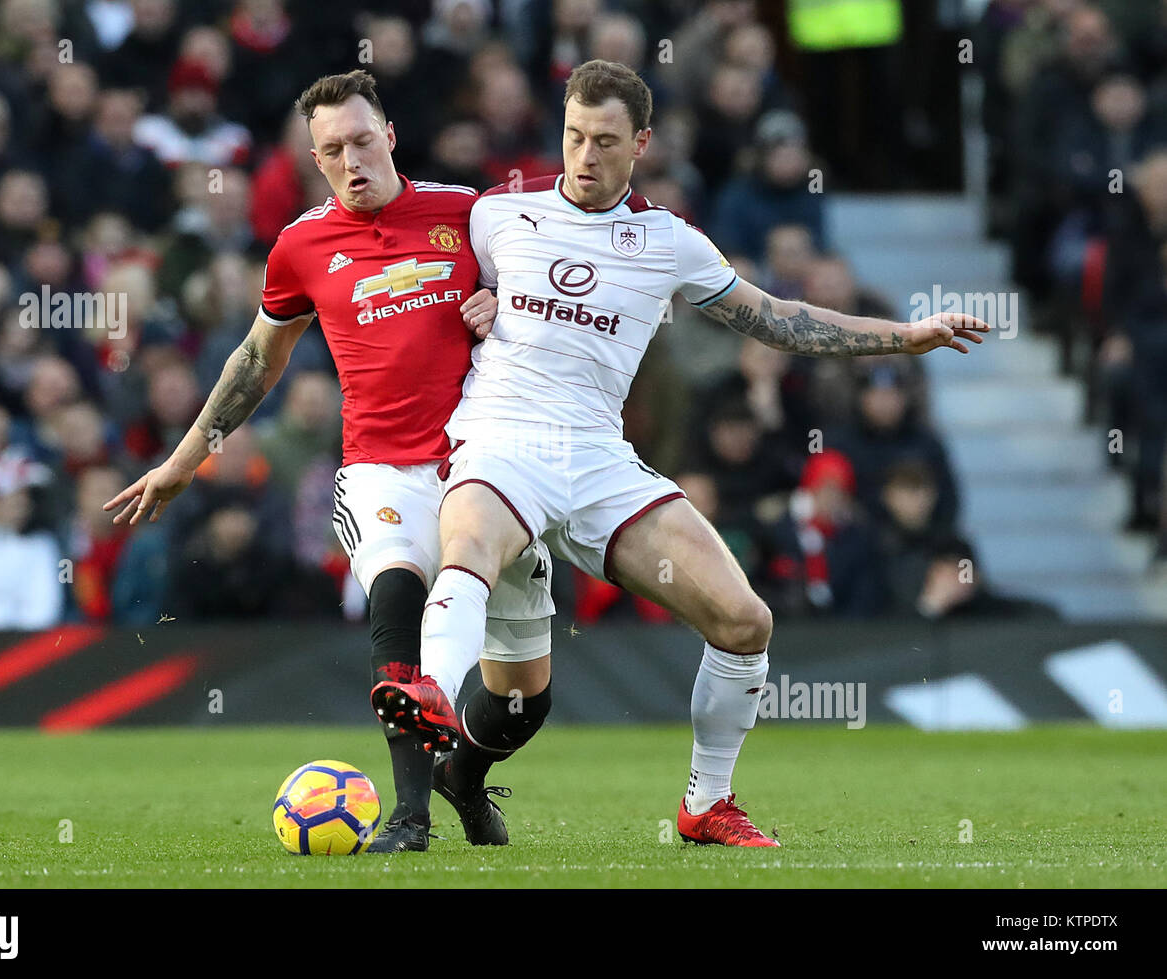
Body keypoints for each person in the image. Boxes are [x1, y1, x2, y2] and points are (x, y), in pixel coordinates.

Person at [374, 59, 989, 848]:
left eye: (604, 141)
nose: (584, 157)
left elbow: (776, 318)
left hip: (598, 459)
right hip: (501, 439)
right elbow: (425, 288)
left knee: (744, 621)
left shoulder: (668, 242)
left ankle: (706, 802)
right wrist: (472, 307)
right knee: (469, 546)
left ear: (642, 144)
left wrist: (904, 335)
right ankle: (430, 690)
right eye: (572, 137)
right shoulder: (498, 216)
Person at [102, 70, 554, 853]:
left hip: (486, 465)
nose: (351, 159)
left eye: (362, 140)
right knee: (397, 605)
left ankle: (464, 778)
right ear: (316, 160)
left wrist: (503, 304)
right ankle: (408, 817)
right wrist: (182, 460)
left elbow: (548, 300)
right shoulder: (302, 246)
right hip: (381, 468)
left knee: (523, 698)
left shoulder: (468, 214)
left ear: (391, 137)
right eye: (332, 150)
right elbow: (257, 360)